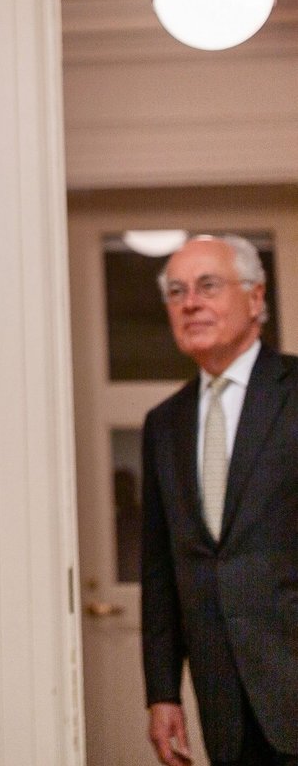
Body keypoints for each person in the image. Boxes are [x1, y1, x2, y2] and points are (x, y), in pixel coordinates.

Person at [141, 234, 298, 766]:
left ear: (255, 299)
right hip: (222, 700)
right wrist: (162, 692)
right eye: (177, 291)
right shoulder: (163, 424)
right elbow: (161, 569)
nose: (191, 303)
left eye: (208, 286)